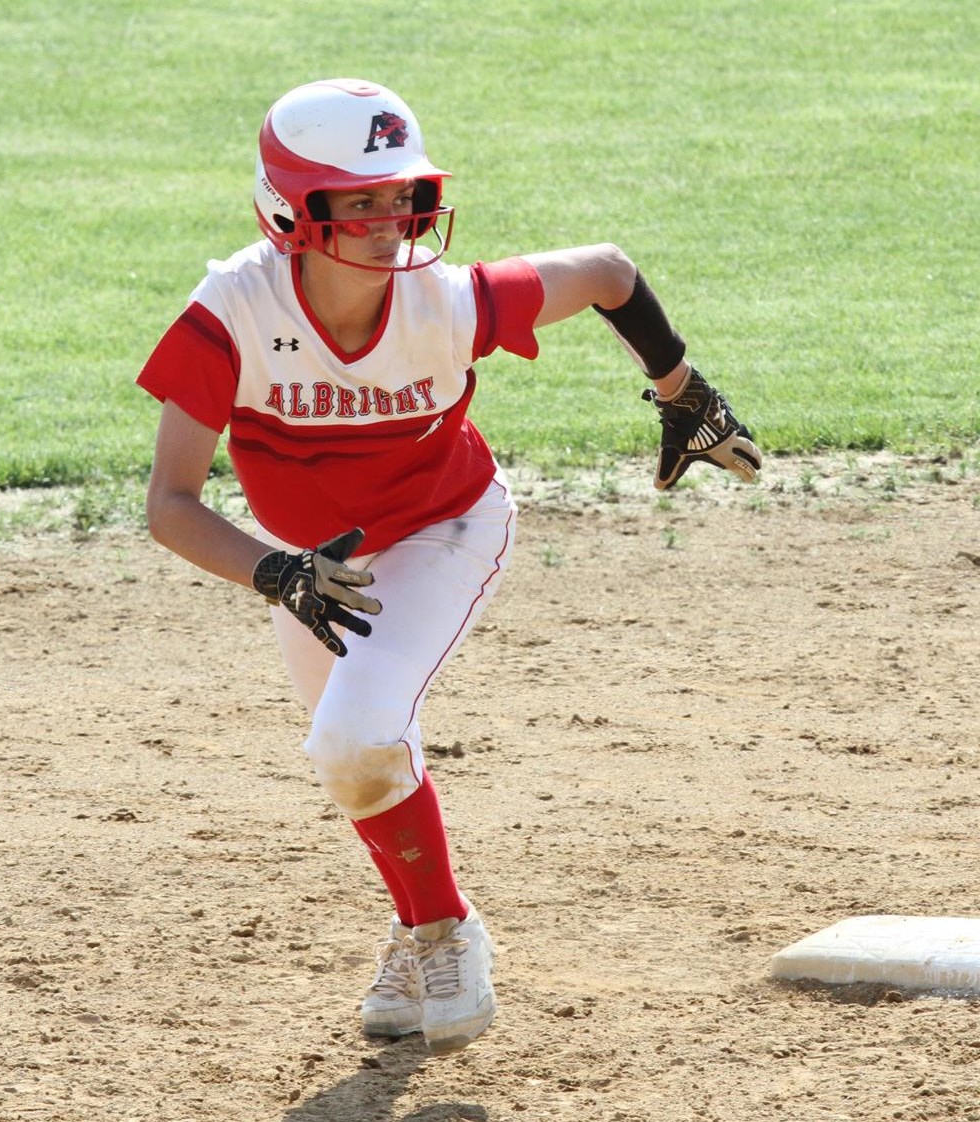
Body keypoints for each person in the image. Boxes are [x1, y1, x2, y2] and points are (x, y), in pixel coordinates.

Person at [135, 78, 761, 1054]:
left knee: (354, 734)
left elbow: (605, 271)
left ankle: (445, 935)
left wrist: (680, 389)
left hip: (445, 533)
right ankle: (422, 926)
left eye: (401, 196)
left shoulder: (445, 301)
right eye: (358, 199)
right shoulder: (234, 313)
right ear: (288, 209)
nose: (390, 222)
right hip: (313, 572)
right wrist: (277, 575)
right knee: (362, 757)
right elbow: (168, 505)